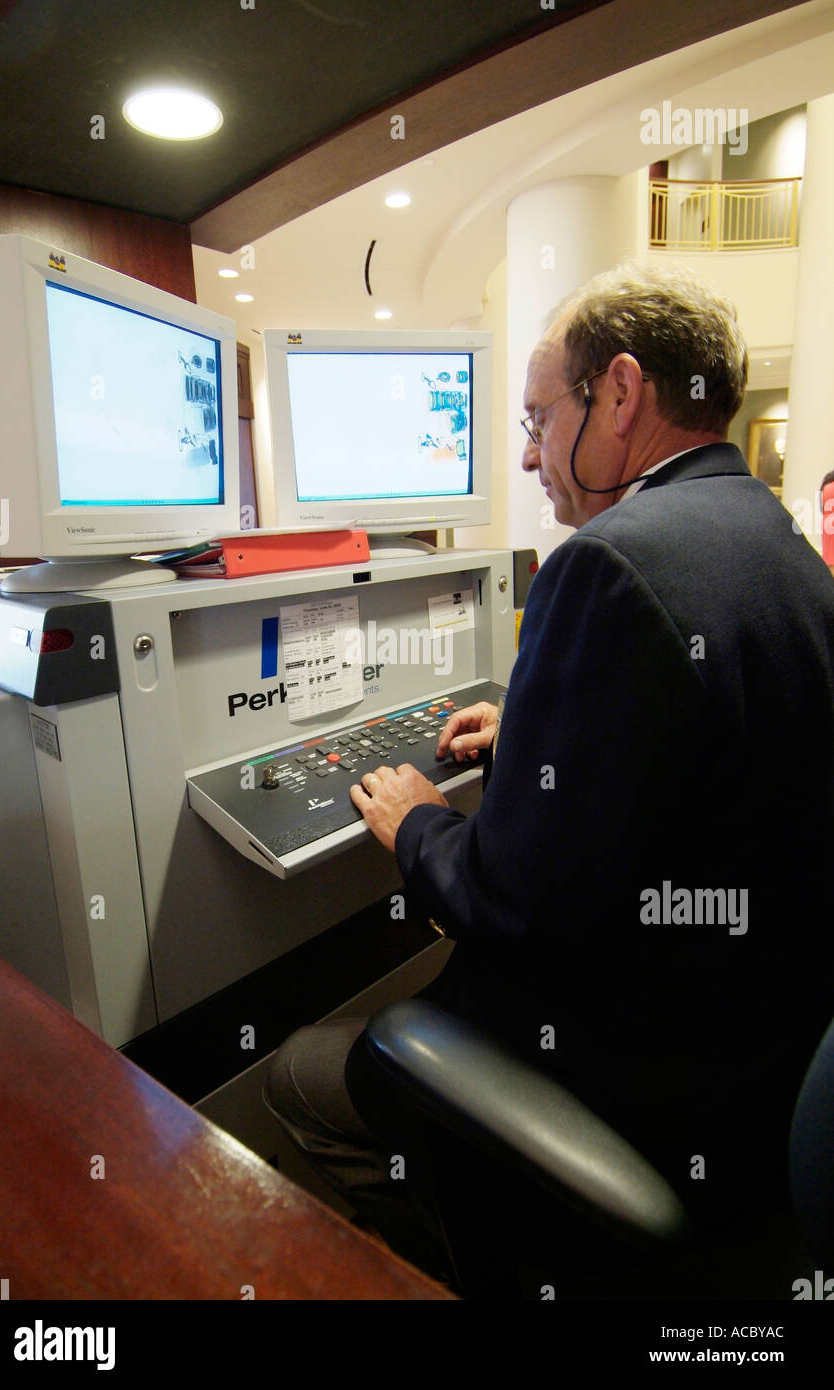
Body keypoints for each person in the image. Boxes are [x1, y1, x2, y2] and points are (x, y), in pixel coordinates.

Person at [264, 263, 834, 1276]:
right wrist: (536, 722)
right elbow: (705, 751)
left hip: (632, 1080)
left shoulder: (610, 561)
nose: (528, 457)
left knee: (298, 1076)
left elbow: (511, 903)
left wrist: (418, 821)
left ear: (618, 393)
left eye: (537, 420)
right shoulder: (776, 539)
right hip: (763, 1074)